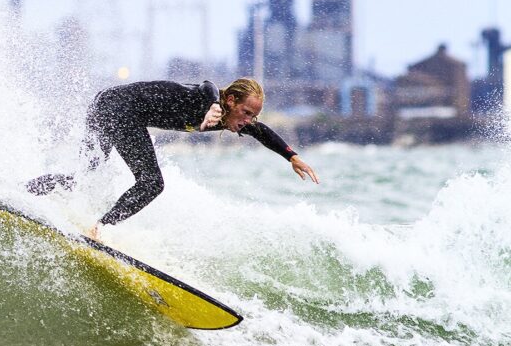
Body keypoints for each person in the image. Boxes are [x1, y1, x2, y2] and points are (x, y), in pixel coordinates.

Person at [26, 78, 319, 239]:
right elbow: (207, 86)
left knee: (83, 177)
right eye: (246, 113)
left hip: (108, 105)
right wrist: (211, 106)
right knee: (152, 183)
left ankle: (25, 192)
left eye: (252, 116)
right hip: (117, 108)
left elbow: (262, 132)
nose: (248, 121)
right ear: (230, 101)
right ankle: (98, 230)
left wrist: (291, 157)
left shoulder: (231, 119)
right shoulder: (208, 100)